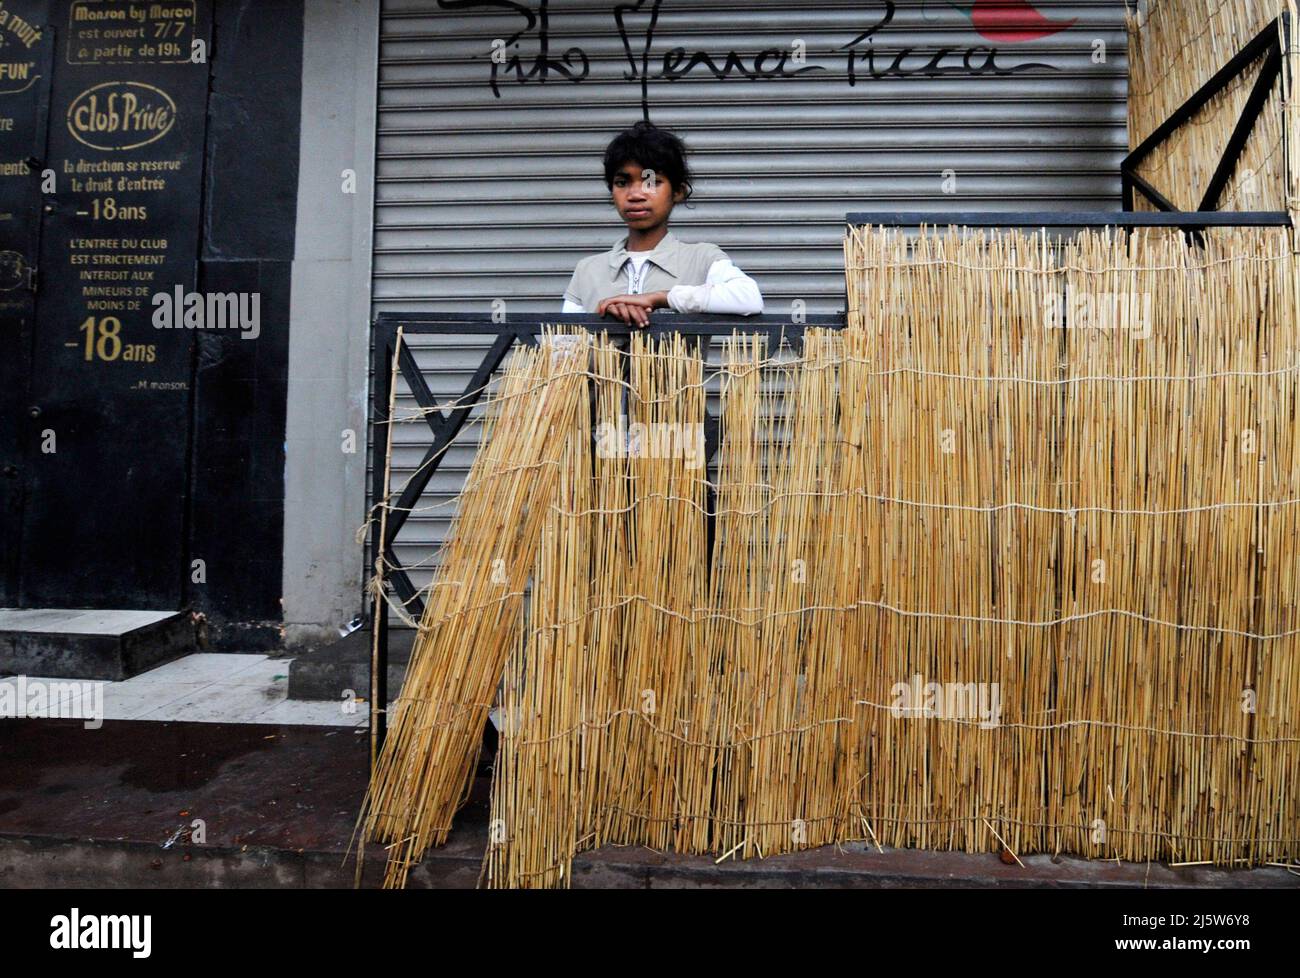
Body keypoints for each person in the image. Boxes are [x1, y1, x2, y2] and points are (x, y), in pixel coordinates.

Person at [562, 121, 763, 327]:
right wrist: (602, 323)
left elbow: (750, 297)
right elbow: (561, 353)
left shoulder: (701, 259)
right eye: (622, 183)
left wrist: (661, 298)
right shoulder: (588, 270)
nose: (635, 194)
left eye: (652, 182)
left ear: (678, 191)